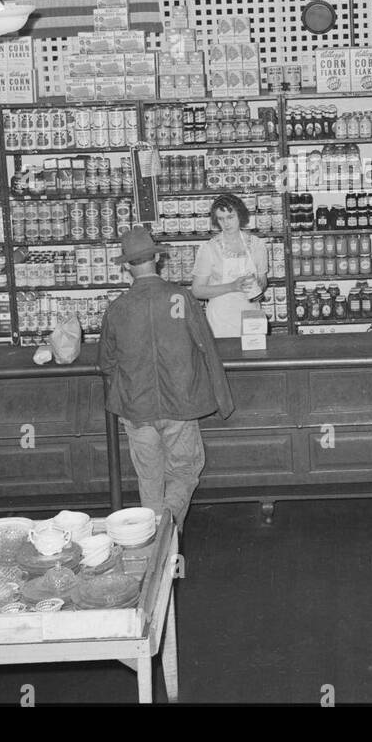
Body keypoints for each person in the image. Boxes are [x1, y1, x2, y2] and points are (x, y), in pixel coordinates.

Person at [99, 226, 234, 530]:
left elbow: (105, 363)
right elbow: (206, 347)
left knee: (149, 479)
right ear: (157, 260)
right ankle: (167, 526)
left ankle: (155, 543)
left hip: (137, 407)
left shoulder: (117, 307)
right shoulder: (181, 297)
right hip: (180, 403)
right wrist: (221, 398)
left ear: (126, 266)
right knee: (185, 471)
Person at [189, 192, 268, 337]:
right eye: (221, 219)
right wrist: (232, 286)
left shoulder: (257, 244)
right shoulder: (209, 249)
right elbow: (197, 291)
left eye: (230, 217)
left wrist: (258, 286)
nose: (226, 223)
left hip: (251, 315)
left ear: (240, 216)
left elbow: (263, 280)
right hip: (221, 319)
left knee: (254, 358)